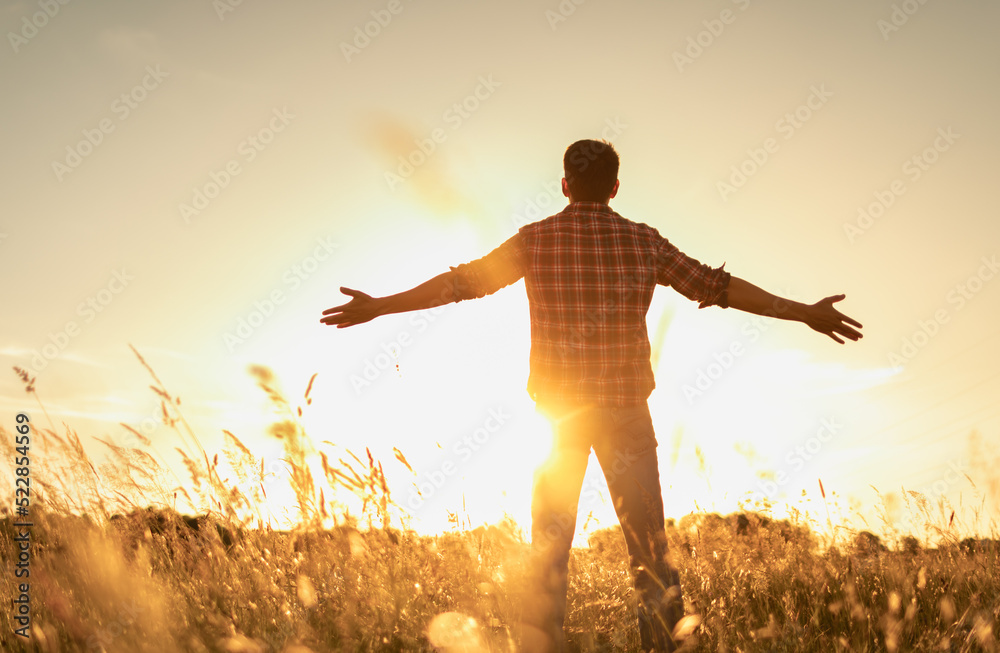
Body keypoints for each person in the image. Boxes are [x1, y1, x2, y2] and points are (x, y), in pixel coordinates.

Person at [320, 139, 863, 651]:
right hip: (626, 414)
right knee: (650, 552)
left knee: (548, 551)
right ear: (616, 186)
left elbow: (462, 283)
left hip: (557, 420)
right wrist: (803, 311)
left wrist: (381, 305)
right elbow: (717, 286)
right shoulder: (644, 241)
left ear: (564, 186)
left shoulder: (534, 240)